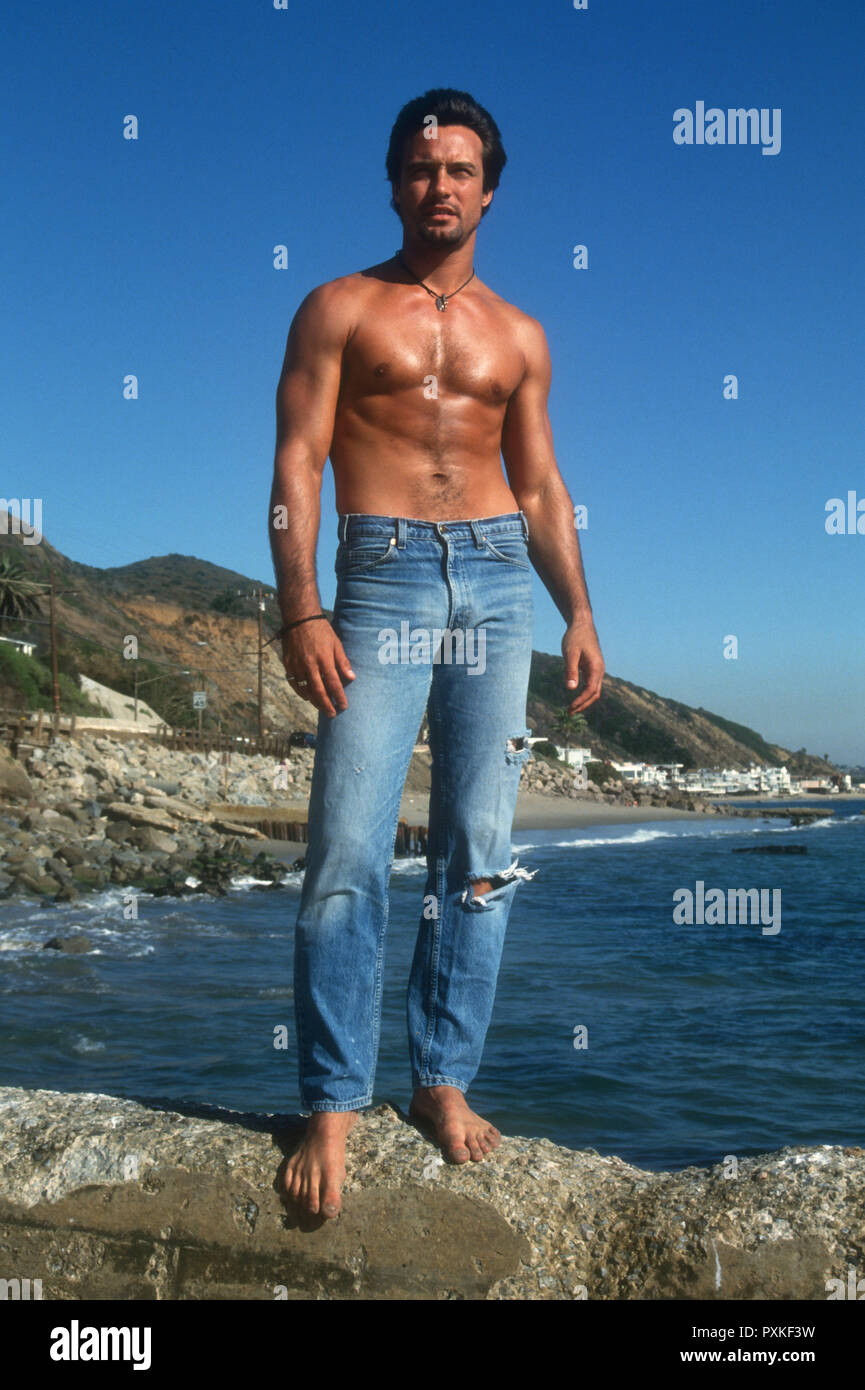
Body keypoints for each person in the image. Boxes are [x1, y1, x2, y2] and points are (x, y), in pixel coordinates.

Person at [268, 88, 604, 1218]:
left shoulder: (521, 335)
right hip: (380, 572)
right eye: (421, 168)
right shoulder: (337, 308)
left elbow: (546, 484)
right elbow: (296, 465)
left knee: (478, 850)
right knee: (346, 848)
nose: (440, 185)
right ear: (393, 180)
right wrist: (300, 606)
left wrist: (580, 611)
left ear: (489, 188)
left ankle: (440, 1081)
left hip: (501, 579)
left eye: (460, 169)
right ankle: (332, 1096)